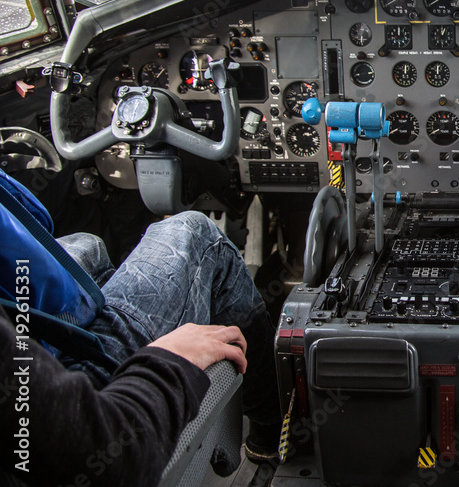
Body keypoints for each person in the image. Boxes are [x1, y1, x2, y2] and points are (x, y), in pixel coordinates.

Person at [0, 169, 281, 485]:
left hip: (27, 335)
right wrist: (167, 360)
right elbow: (106, 456)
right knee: (195, 233)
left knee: (86, 245)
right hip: (77, 390)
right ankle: (274, 436)